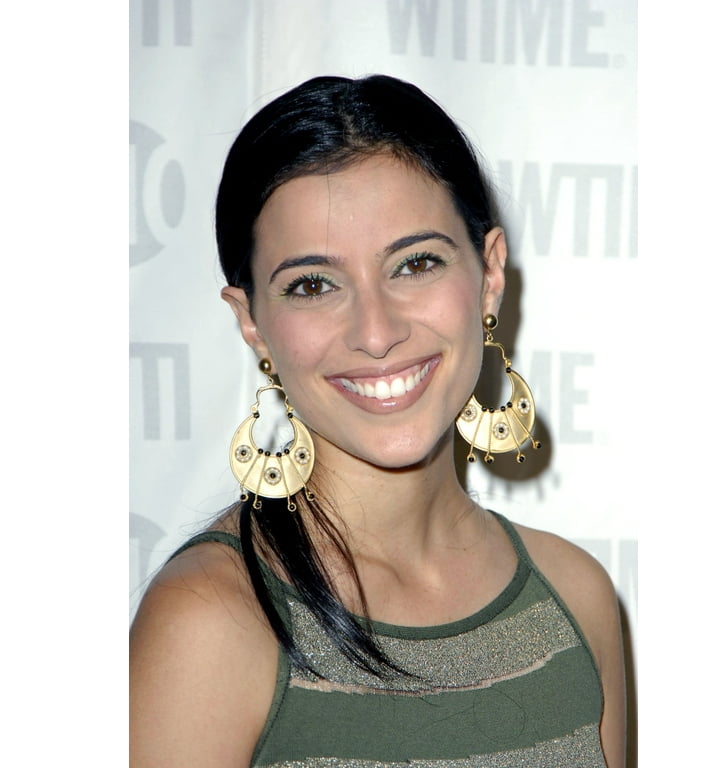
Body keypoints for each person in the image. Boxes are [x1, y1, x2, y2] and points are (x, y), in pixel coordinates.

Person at [130, 74, 626, 767]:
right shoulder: (212, 619)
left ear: (489, 274)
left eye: (415, 264)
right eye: (312, 284)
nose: (376, 331)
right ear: (252, 322)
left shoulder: (576, 599)